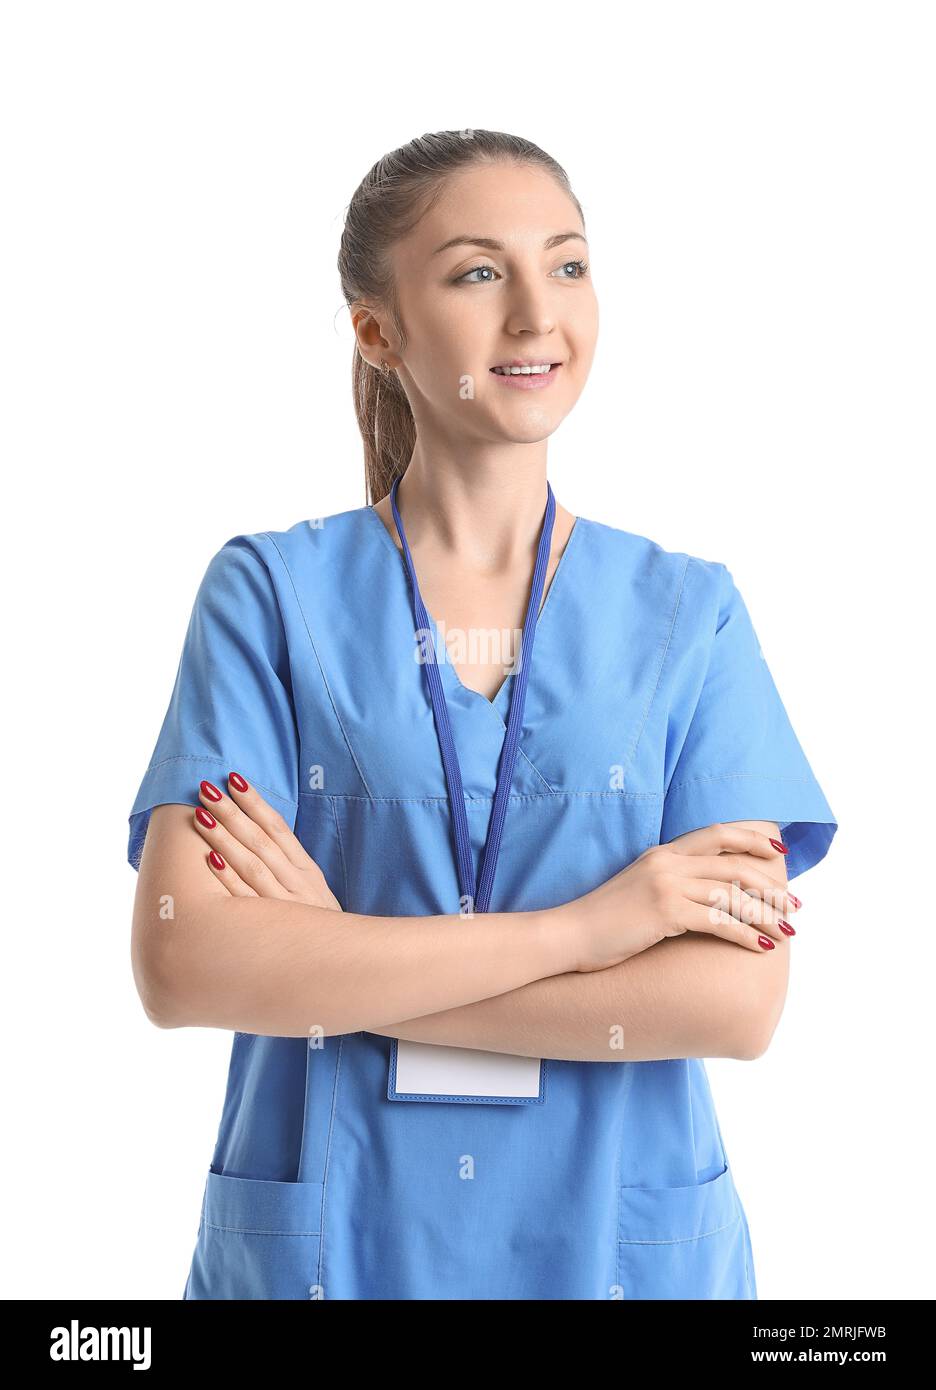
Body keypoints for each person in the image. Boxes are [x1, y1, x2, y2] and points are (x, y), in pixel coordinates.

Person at [127, 129, 837, 1301]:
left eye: (566, 265)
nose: (534, 314)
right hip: (333, 1251)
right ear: (377, 328)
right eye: (474, 271)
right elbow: (185, 959)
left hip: (620, 1251)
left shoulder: (686, 612)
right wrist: (596, 928)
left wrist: (337, 956)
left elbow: (738, 998)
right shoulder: (269, 595)